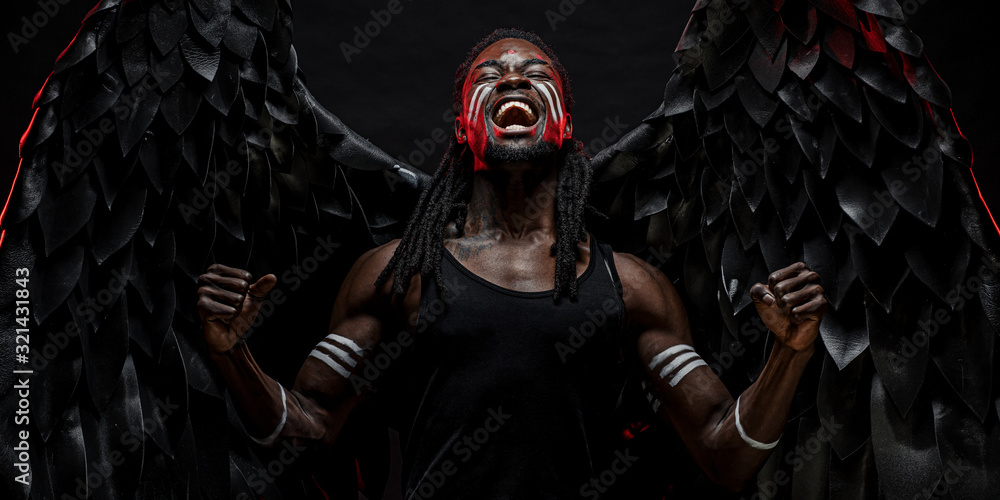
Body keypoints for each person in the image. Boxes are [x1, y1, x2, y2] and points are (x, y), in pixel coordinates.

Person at [196, 29, 827, 498]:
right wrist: (232, 353)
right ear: (465, 127)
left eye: (535, 72)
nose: (514, 78)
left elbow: (724, 453)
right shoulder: (396, 274)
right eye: (489, 76)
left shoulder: (631, 287)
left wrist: (790, 353)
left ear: (566, 120)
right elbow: (309, 432)